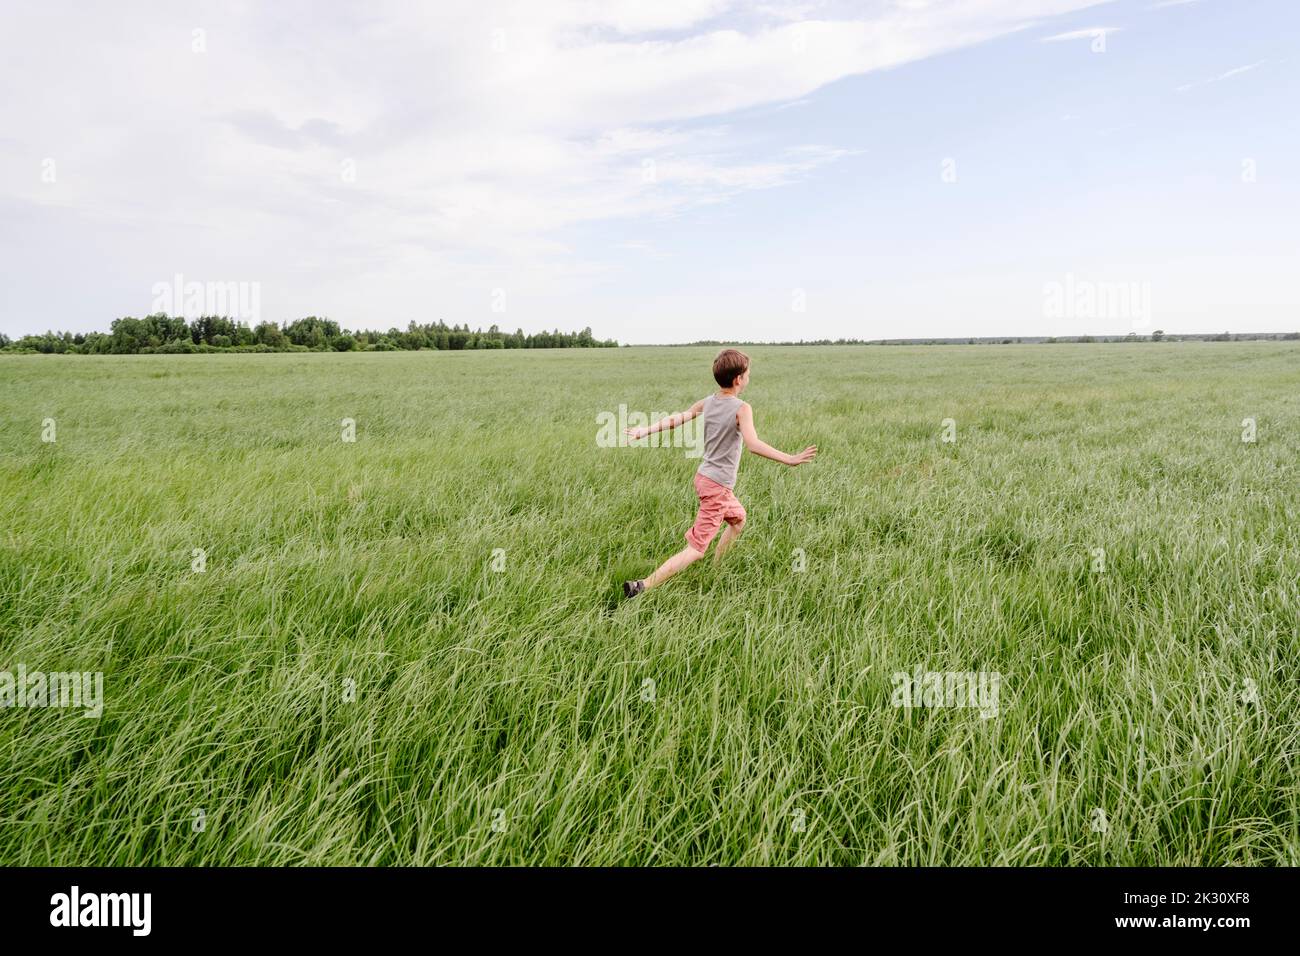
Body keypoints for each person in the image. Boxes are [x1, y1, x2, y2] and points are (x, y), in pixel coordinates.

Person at [622, 348, 817, 598]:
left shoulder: (709, 401)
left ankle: (717, 568)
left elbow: (677, 419)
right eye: (747, 374)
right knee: (695, 549)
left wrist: (644, 431)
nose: (748, 378)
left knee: (738, 519)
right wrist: (789, 459)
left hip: (705, 478)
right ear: (738, 379)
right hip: (717, 487)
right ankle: (643, 585)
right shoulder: (742, 408)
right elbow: (753, 444)